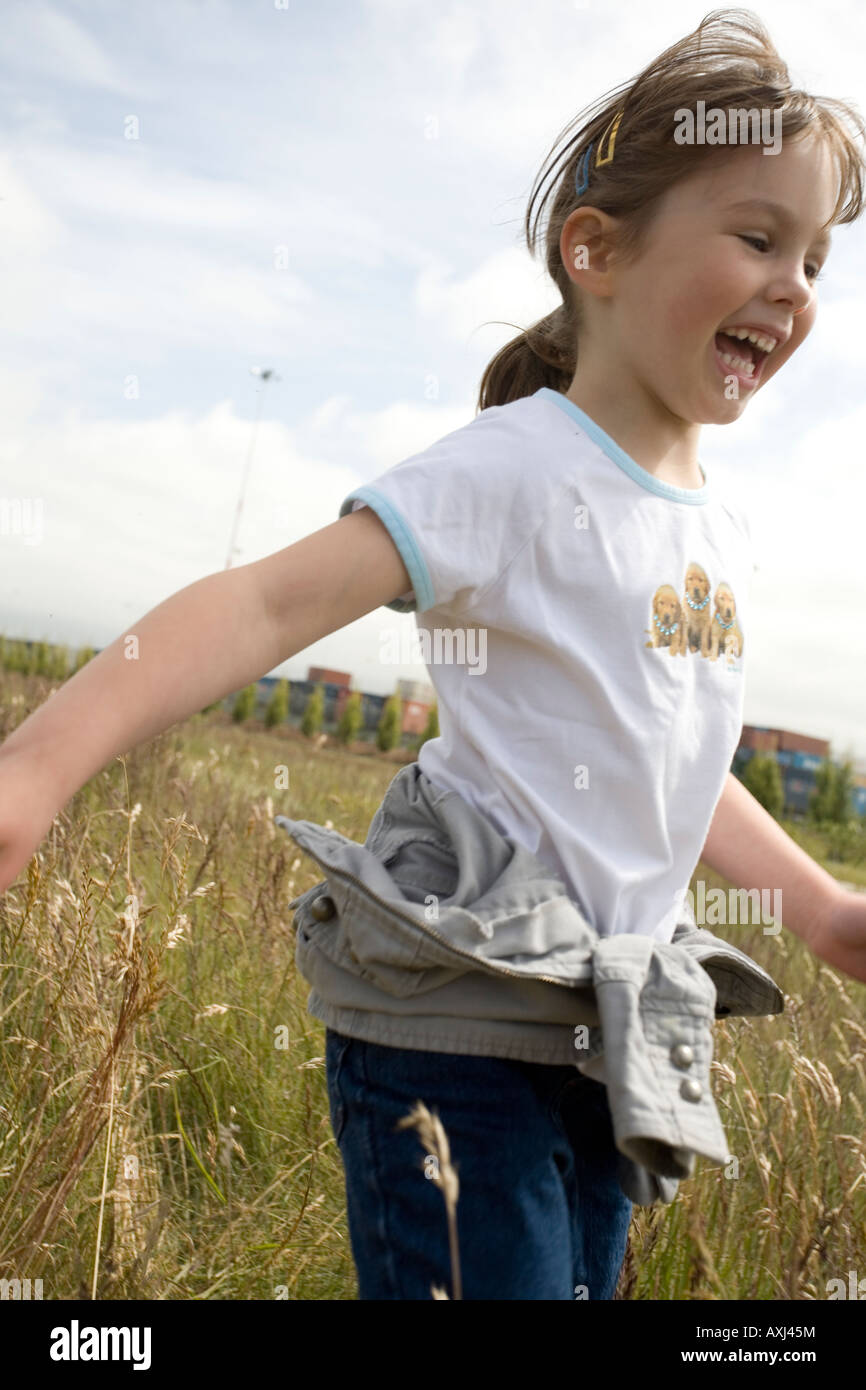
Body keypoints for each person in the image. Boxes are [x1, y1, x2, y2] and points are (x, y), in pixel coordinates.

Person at [1, 9, 865, 1301]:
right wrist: (33, 767)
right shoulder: (514, 464)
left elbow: (672, 758)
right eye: (755, 235)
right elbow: (261, 606)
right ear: (596, 249)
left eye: (815, 253)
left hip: (610, 1030)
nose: (793, 283)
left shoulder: (715, 522)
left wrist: (823, 910)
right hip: (458, 1022)